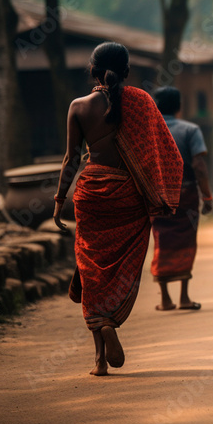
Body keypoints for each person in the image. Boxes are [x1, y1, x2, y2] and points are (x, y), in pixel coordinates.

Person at [53, 42, 183, 376]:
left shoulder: (78, 107)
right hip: (128, 196)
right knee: (118, 266)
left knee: (90, 267)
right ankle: (110, 319)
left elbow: (70, 160)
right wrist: (160, 192)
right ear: (126, 72)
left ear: (93, 71)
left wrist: (58, 201)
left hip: (91, 193)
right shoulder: (141, 101)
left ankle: (98, 357)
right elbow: (167, 152)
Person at [150, 86, 213, 312]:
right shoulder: (190, 130)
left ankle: (165, 299)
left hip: (156, 195)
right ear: (179, 106)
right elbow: (199, 166)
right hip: (186, 193)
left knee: (161, 241)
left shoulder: (147, 132)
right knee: (186, 240)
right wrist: (206, 195)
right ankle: (185, 297)